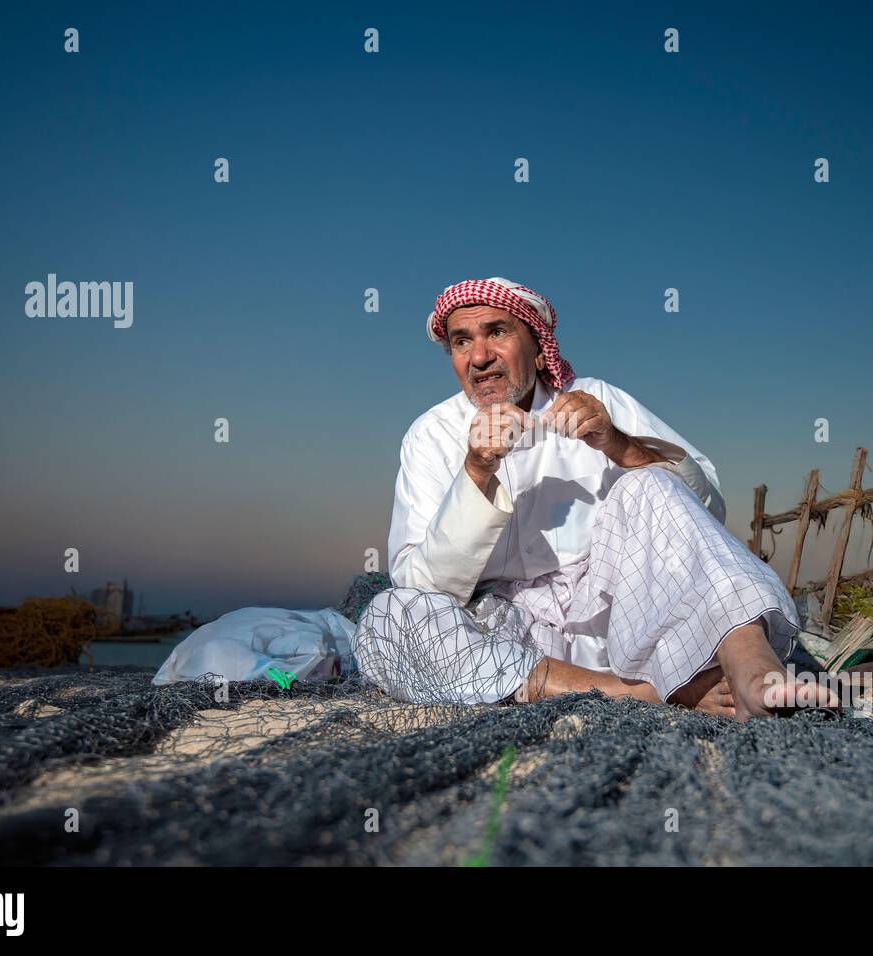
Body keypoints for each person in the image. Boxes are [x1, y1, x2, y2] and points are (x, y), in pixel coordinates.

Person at [353, 277, 833, 719]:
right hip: (512, 640)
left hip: (619, 620)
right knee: (388, 618)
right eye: (462, 341)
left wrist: (619, 445)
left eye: (497, 332)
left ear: (539, 350)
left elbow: (705, 509)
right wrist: (476, 471)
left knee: (650, 482)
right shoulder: (431, 434)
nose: (479, 357)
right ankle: (644, 693)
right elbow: (421, 587)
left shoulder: (594, 397)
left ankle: (751, 664)